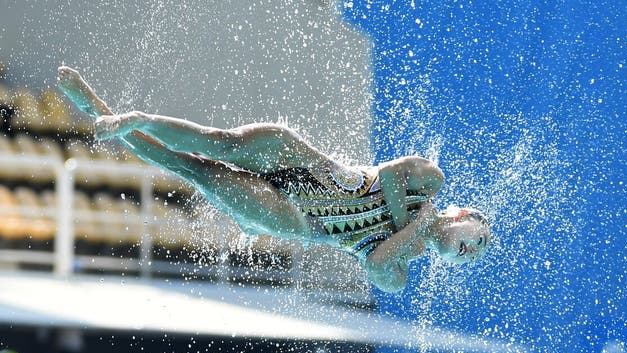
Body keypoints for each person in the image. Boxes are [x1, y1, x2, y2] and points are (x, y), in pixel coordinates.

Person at [56, 66, 491, 293]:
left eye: (471, 258)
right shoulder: (431, 182)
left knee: (193, 169)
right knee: (218, 142)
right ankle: (138, 119)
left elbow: (376, 264)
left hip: (293, 218)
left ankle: (97, 109)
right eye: (480, 238)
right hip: (307, 163)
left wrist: (412, 226)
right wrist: (408, 223)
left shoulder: (400, 275)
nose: (471, 251)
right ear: (464, 213)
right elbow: (392, 177)